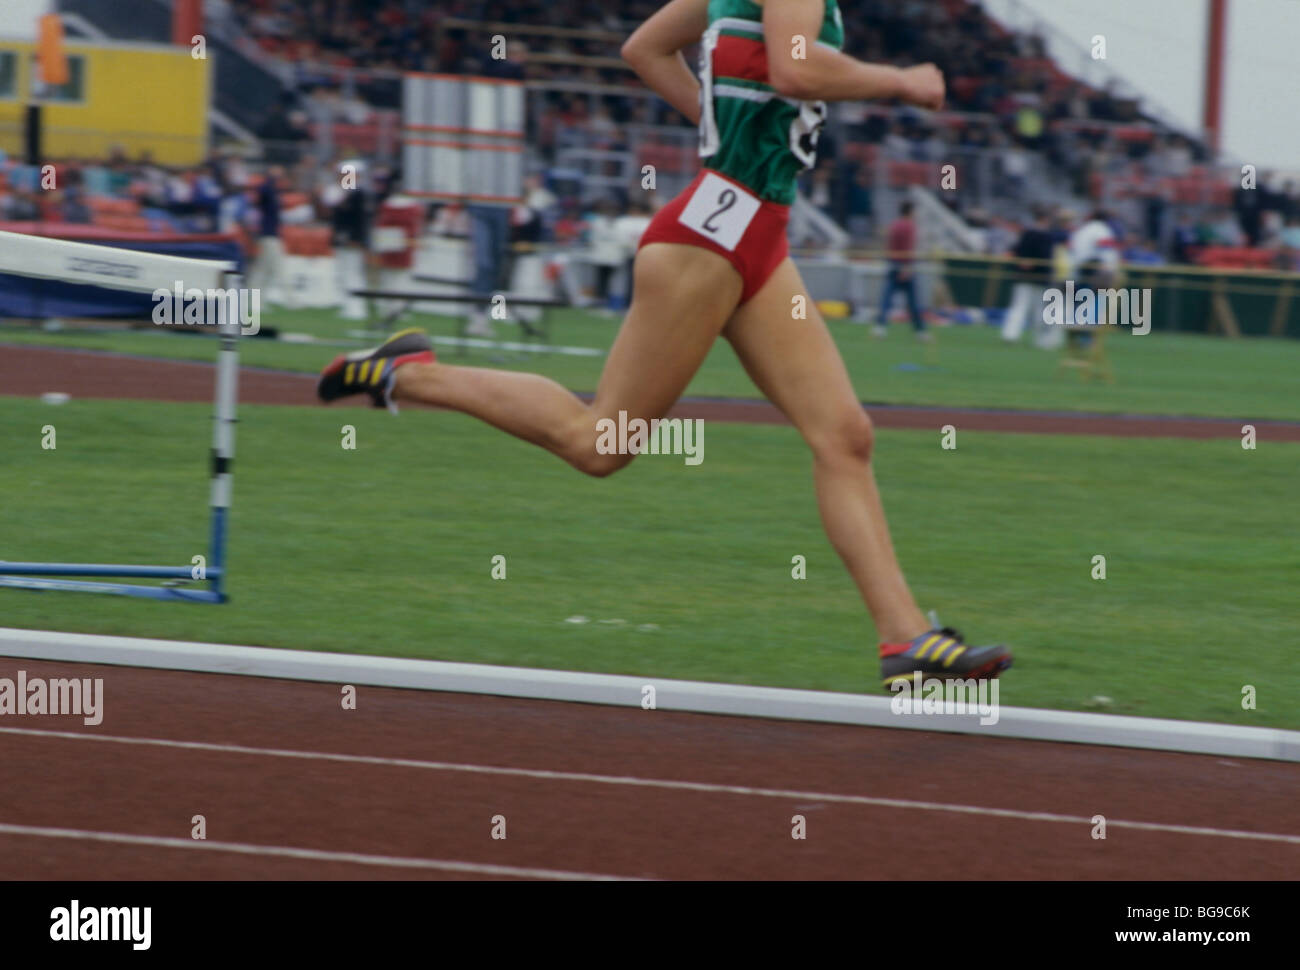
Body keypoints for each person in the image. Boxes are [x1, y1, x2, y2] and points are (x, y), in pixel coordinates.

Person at [318, 0, 1013, 690]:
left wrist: (721, 128)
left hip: (755, 233)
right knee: (599, 443)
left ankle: (906, 640)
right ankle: (411, 373)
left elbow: (644, 50)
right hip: (712, 237)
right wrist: (900, 80)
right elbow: (797, 71)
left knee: (844, 435)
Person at [875, 200, 929, 341]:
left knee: (887, 299)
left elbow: (889, 246)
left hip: (893, 264)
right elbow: (908, 248)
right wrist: (907, 267)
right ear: (910, 211)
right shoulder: (910, 226)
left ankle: (880, 328)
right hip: (905, 265)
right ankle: (920, 331)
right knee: (913, 302)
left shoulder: (894, 225)